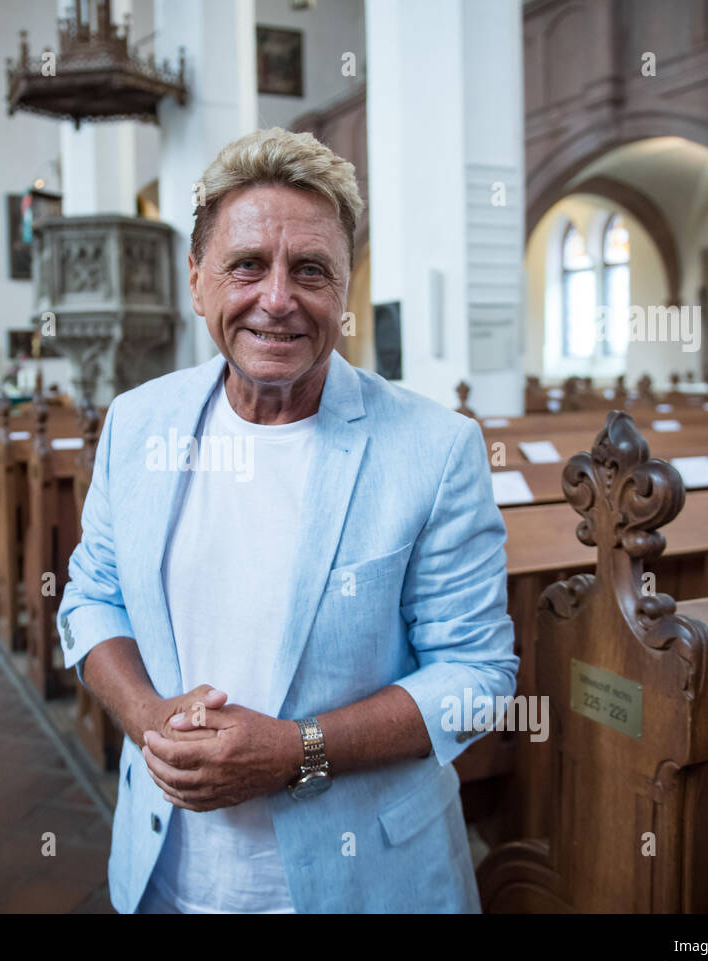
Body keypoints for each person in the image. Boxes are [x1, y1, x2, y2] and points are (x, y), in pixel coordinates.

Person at [57, 127, 519, 914]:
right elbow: (91, 597)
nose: (277, 299)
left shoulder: (435, 448)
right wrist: (145, 718)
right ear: (197, 279)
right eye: (246, 266)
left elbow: (478, 679)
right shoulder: (139, 424)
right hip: (169, 874)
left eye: (310, 270)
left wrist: (296, 751)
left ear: (343, 292)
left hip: (367, 880)